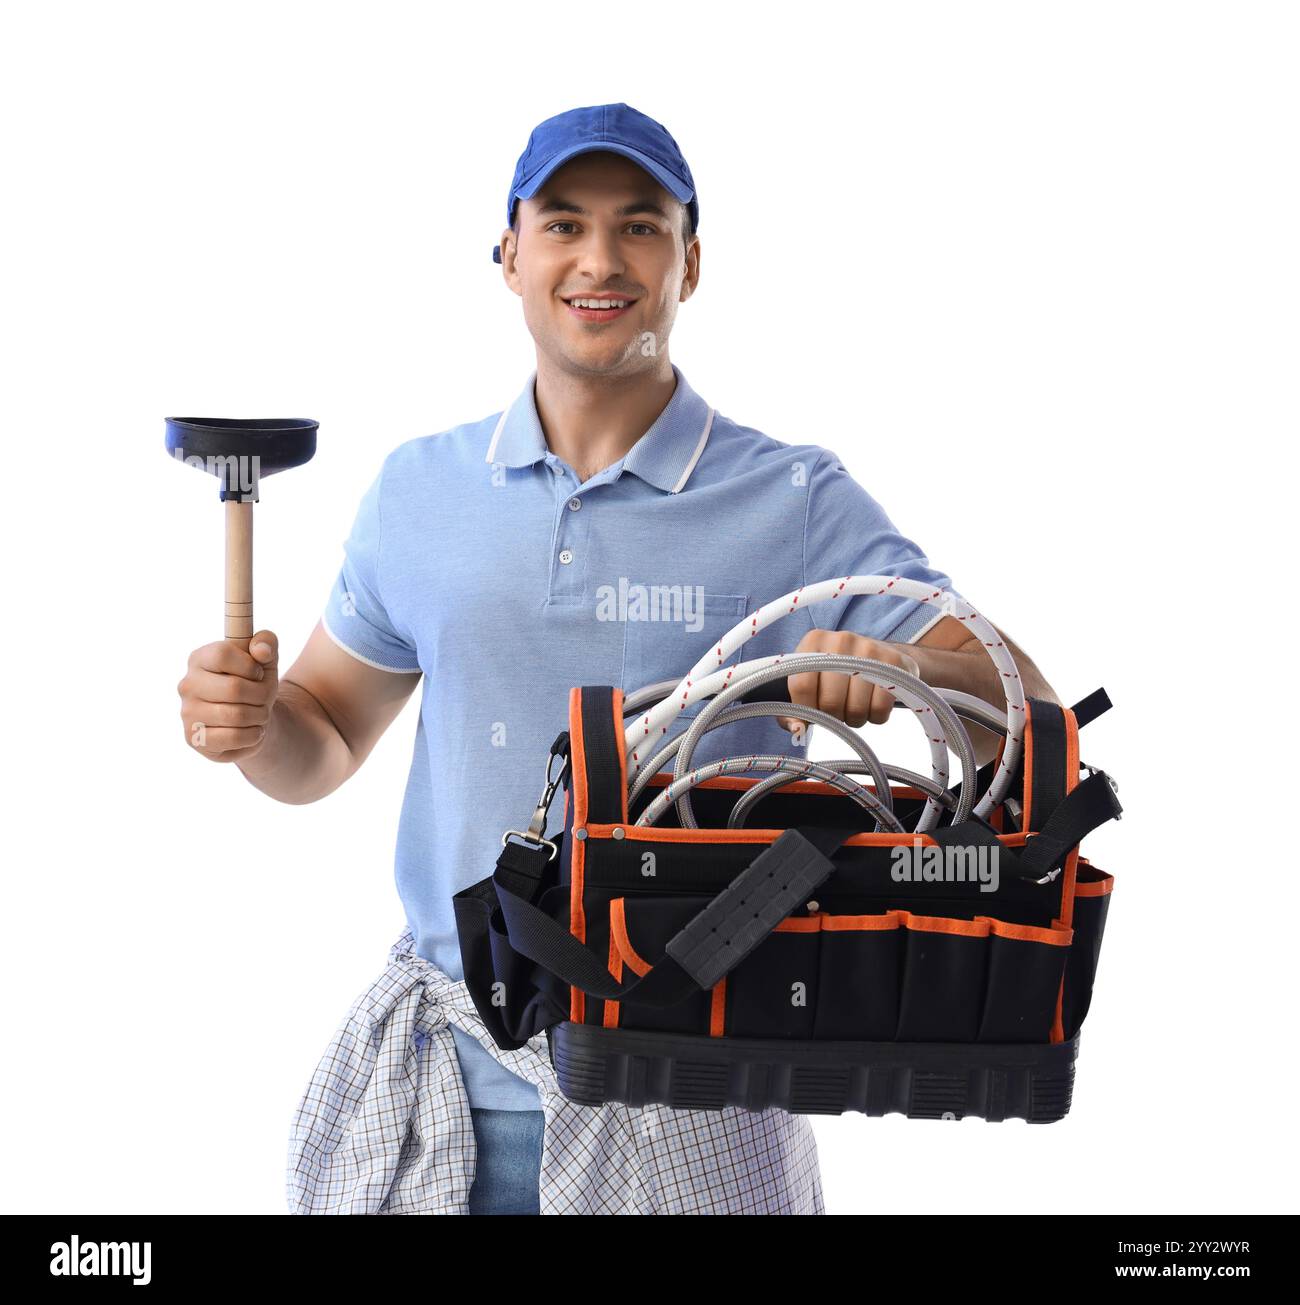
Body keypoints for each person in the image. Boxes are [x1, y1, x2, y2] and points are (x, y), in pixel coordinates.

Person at [176, 102, 1059, 1215]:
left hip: (691, 1093)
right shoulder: (418, 492)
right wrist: (255, 726)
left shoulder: (791, 502)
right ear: (507, 255)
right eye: (563, 224)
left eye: (641, 226)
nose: (600, 259)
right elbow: (327, 734)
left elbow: (1024, 704)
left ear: (692, 264)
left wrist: (897, 669)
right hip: (444, 1094)